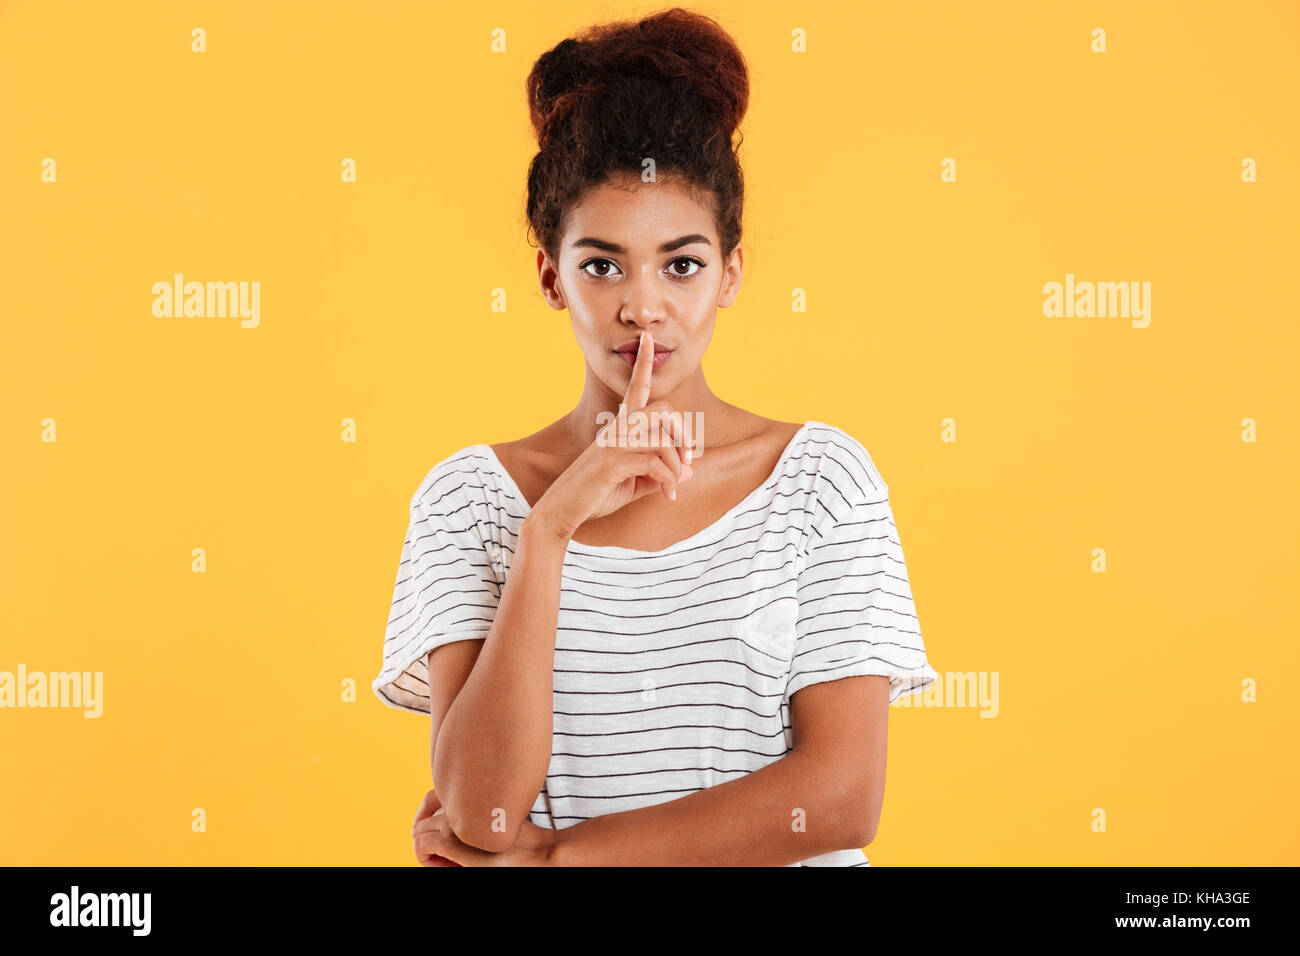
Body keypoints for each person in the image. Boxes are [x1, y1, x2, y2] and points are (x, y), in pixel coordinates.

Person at [373, 6, 938, 866]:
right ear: (550, 276)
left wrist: (564, 859)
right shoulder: (467, 503)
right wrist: (551, 529)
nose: (644, 306)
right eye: (602, 265)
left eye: (682, 264)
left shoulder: (820, 481)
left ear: (731, 274)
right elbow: (481, 819)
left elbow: (840, 797)